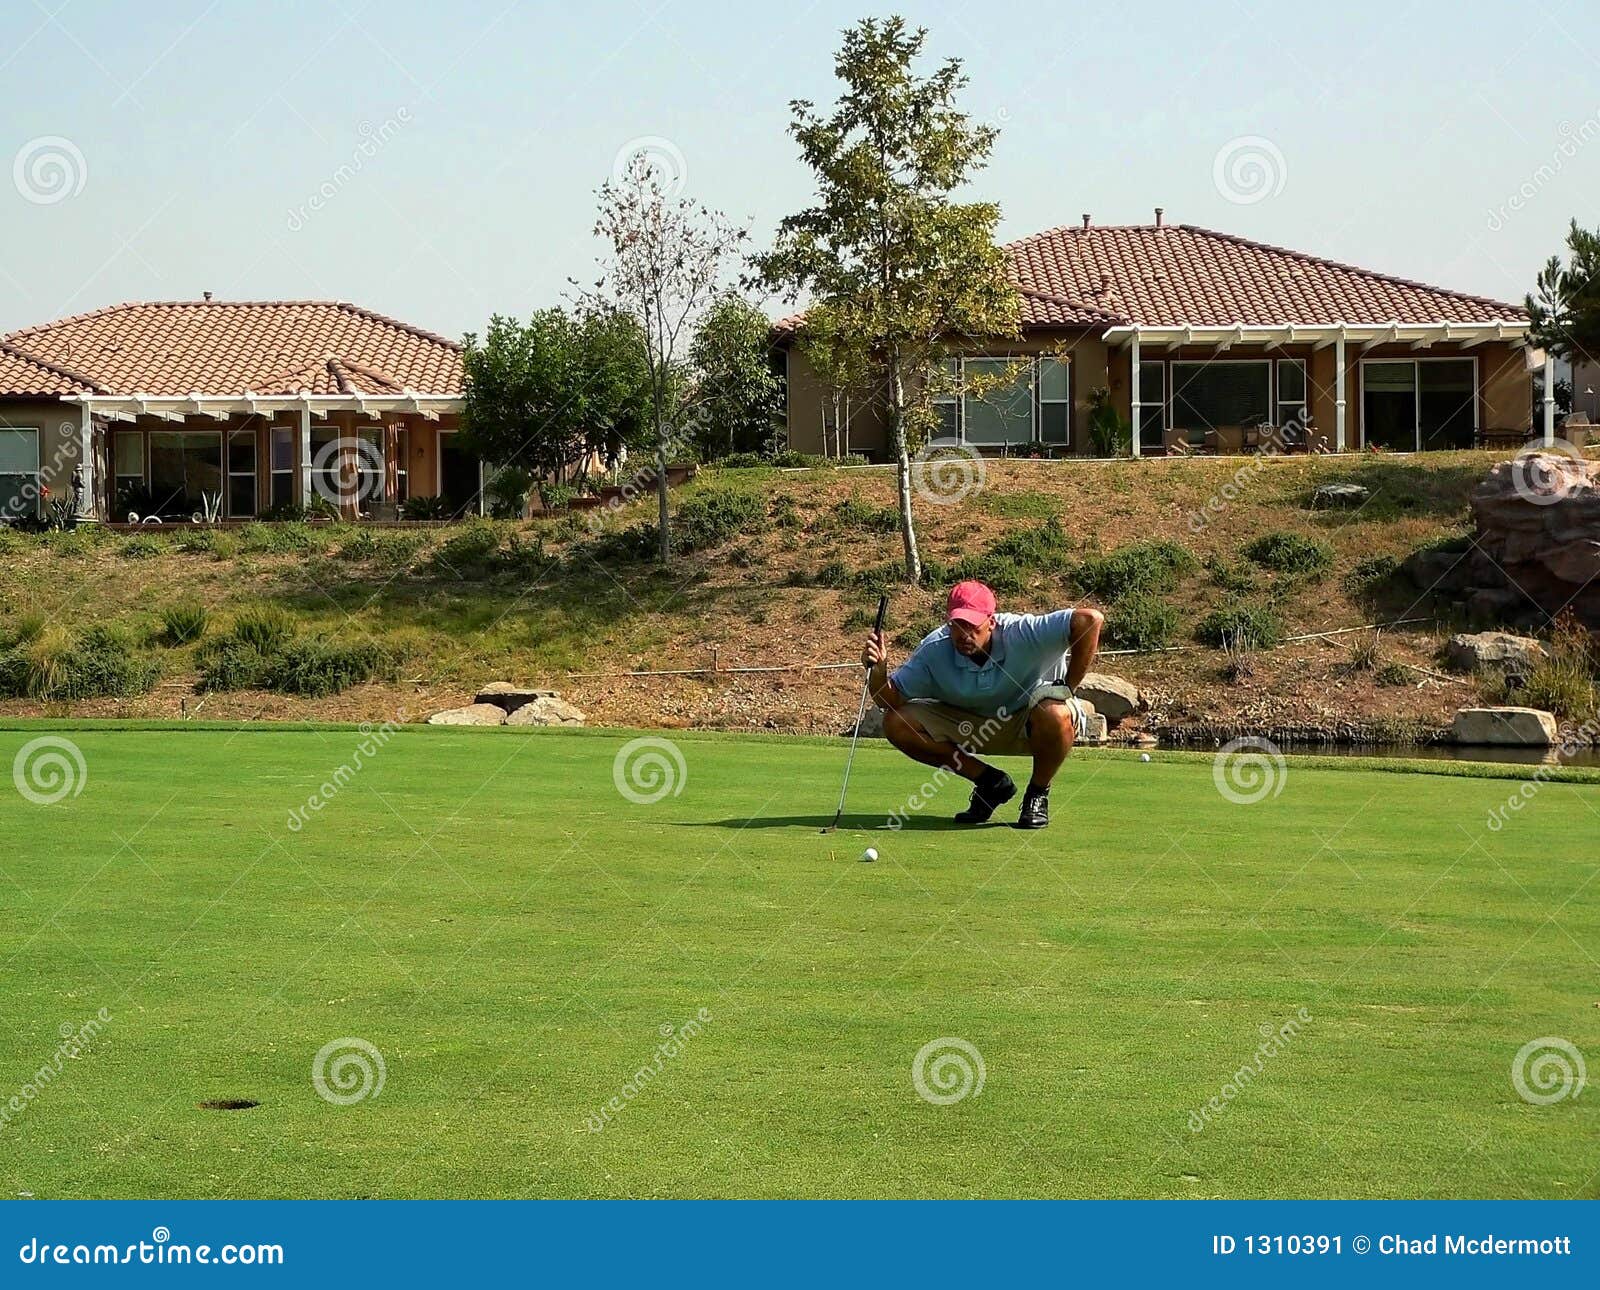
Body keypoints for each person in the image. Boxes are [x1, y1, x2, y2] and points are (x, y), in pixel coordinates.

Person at [861, 580, 1104, 830]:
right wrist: (879, 670)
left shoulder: (1023, 632)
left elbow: (1090, 621)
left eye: (972, 625)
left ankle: (1037, 794)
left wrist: (1067, 687)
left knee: (1055, 712)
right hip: (970, 725)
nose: (963, 634)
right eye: (957, 624)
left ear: (991, 621)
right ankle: (990, 783)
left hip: (1028, 723)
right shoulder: (934, 649)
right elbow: (889, 700)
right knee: (896, 723)